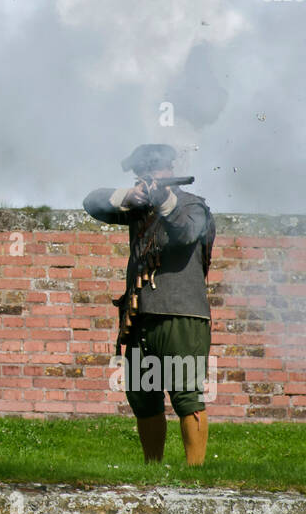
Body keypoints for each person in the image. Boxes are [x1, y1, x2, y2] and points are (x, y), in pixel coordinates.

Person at [83, 143, 216, 465]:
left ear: (168, 169)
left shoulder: (192, 205)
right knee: (143, 397)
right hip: (141, 315)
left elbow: (185, 234)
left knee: (185, 394)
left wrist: (164, 199)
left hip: (181, 315)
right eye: (140, 172)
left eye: (151, 169)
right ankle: (151, 470)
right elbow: (92, 202)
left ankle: (195, 473)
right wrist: (129, 196)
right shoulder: (140, 208)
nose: (145, 175)